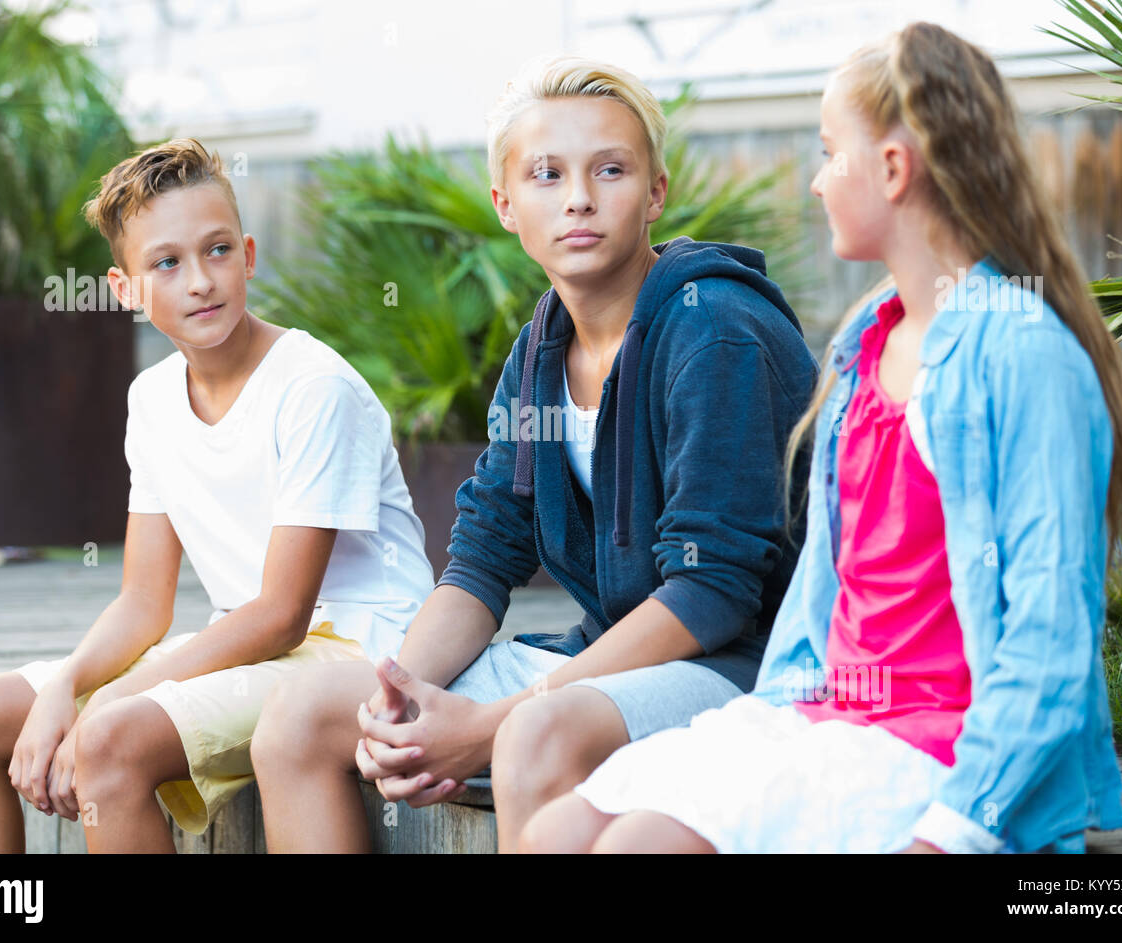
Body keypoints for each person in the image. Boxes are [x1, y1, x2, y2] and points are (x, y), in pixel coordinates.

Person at [522, 22, 1122, 854]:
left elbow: (1050, 635)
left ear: (892, 171)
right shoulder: (863, 349)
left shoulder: (1023, 354)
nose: (816, 183)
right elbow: (824, 599)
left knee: (642, 846)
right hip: (828, 721)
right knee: (561, 828)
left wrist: (955, 829)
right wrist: (768, 734)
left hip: (945, 754)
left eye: (829, 153)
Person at [249, 57, 818, 852]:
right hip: (613, 658)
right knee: (302, 719)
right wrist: (402, 692)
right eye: (546, 174)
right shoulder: (540, 351)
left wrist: (487, 724)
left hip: (752, 669)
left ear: (655, 193)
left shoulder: (711, 328)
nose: (578, 196)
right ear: (506, 204)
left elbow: (714, 591)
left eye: (609, 169)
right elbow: (486, 552)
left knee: (533, 736)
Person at [0, 138, 433, 852]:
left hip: (356, 650)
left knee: (109, 737)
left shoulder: (314, 388)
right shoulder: (153, 398)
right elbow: (144, 602)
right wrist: (67, 682)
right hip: (250, 643)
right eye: (167, 262)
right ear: (126, 288)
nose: (200, 280)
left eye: (218, 250)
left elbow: (284, 615)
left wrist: (113, 698)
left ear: (250, 254)